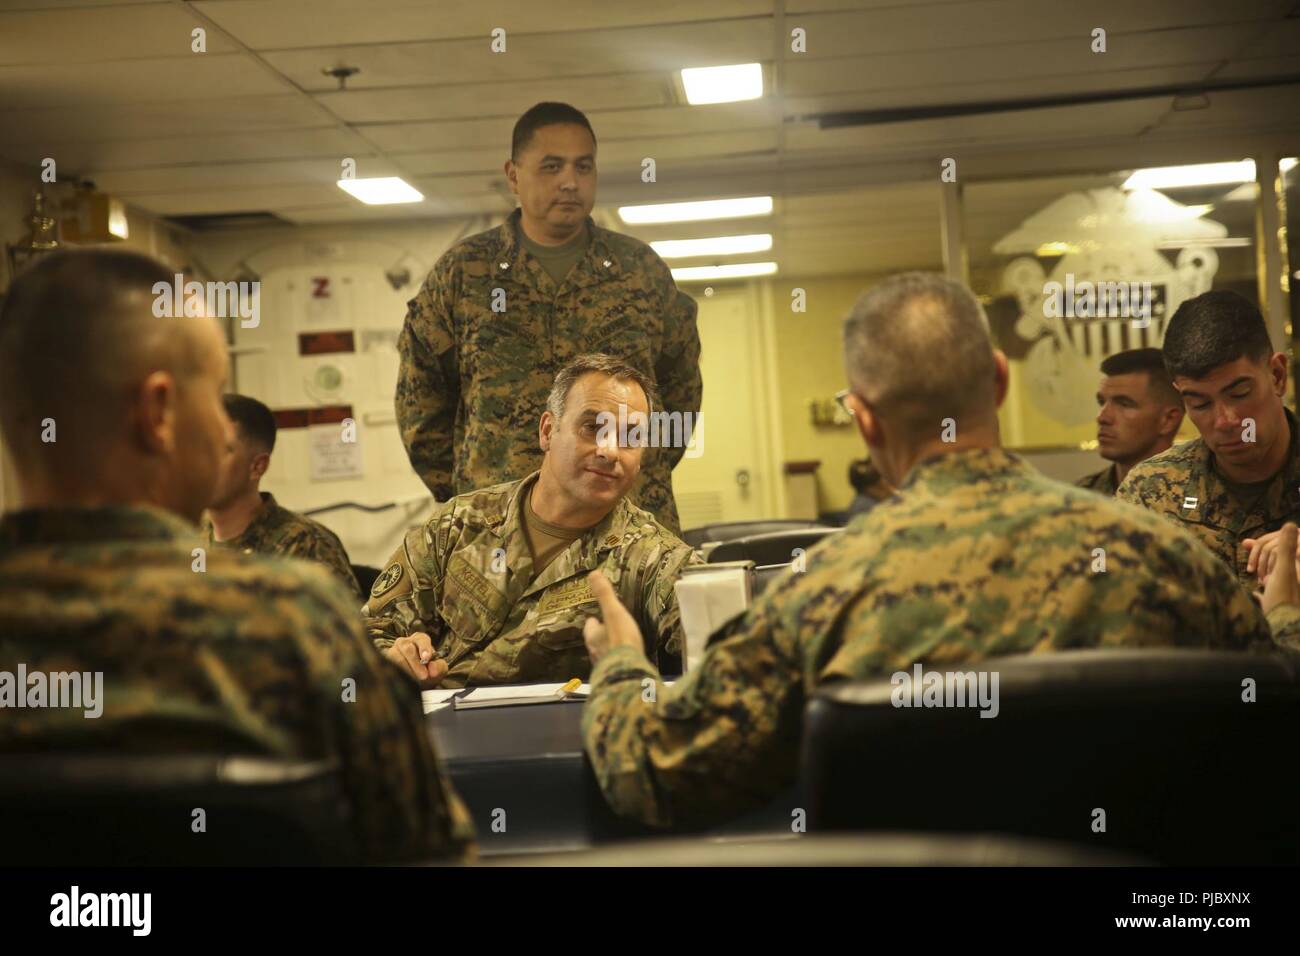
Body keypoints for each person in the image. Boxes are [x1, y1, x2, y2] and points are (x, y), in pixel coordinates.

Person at [576, 272, 1300, 830]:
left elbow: (652, 776)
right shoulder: (1166, 559)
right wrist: (1285, 618)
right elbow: (1275, 731)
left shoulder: (819, 599)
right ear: (999, 379)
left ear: (862, 421)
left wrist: (619, 663)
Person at [0, 249, 471, 863]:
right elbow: (428, 854)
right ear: (159, 413)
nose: (226, 430)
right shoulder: (293, 623)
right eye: (217, 394)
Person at [395, 101, 702, 534]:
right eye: (552, 167)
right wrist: (476, 491)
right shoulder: (464, 274)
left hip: (627, 525)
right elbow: (421, 406)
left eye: (584, 167)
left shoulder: (640, 271)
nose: (570, 183)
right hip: (501, 528)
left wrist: (642, 471)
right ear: (513, 175)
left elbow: (680, 393)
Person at [369, 354, 698, 688]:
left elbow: (713, 638)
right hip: (441, 731)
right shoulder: (458, 526)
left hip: (559, 736)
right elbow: (372, 633)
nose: (609, 451)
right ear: (547, 431)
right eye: (593, 428)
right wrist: (396, 658)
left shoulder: (654, 557)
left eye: (630, 436)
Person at [1117, 291, 1300, 589]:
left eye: (1239, 394)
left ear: (1277, 376)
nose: (1225, 421)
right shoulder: (1150, 494)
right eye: (1200, 404)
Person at [204, 394, 361, 600]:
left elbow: (349, 629)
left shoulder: (307, 546)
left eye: (220, 450)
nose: (202, 462)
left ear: (257, 466)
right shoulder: (187, 538)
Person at [1075, 348, 1184, 495]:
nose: (1102, 418)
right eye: (1102, 402)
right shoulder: (1082, 497)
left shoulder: (1201, 494)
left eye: (1124, 404)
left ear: (1168, 420)